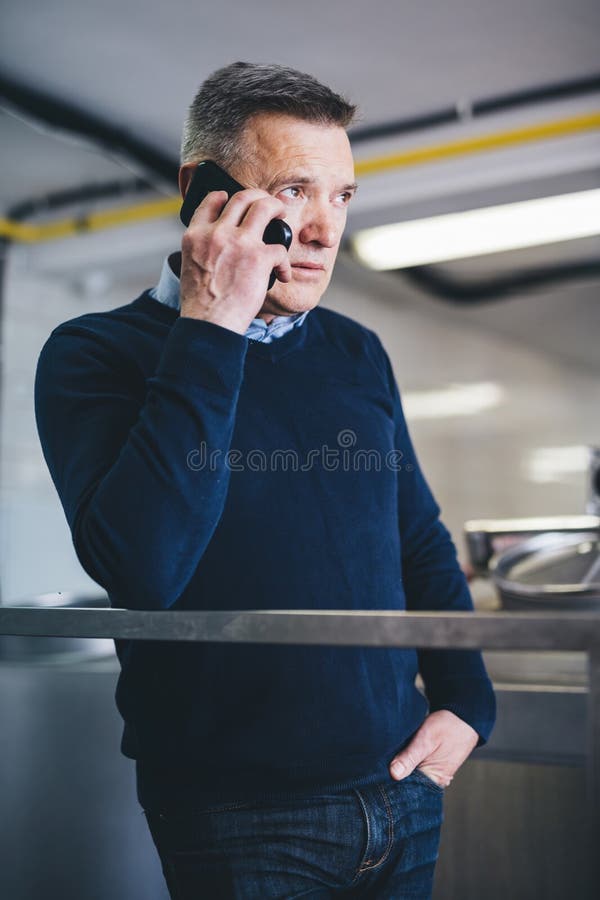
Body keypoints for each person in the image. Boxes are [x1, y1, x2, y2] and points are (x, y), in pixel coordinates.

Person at [35, 62, 496, 899]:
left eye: (344, 196)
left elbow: (417, 540)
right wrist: (214, 320)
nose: (326, 229)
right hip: (237, 815)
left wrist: (467, 703)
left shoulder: (357, 351)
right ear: (200, 190)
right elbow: (144, 566)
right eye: (294, 191)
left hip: (403, 793)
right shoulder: (93, 354)